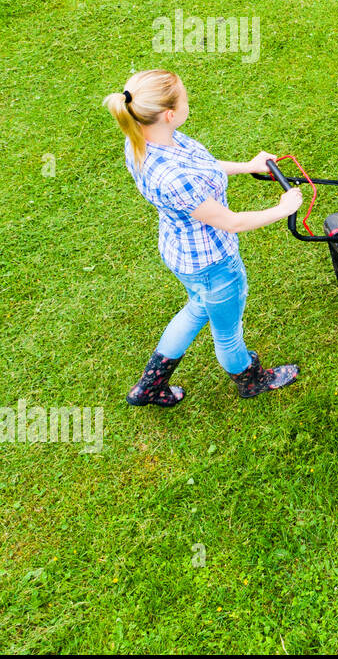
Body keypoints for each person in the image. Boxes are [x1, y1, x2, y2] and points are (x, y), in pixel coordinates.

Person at [103, 69, 303, 406]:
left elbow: (203, 167)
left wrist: (248, 165)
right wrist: (282, 209)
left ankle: (149, 386)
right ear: (169, 113)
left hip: (181, 254)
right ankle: (251, 381)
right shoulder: (172, 177)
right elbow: (231, 222)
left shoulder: (144, 137)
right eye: (184, 99)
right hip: (213, 263)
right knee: (227, 334)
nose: (187, 103)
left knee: (199, 305)